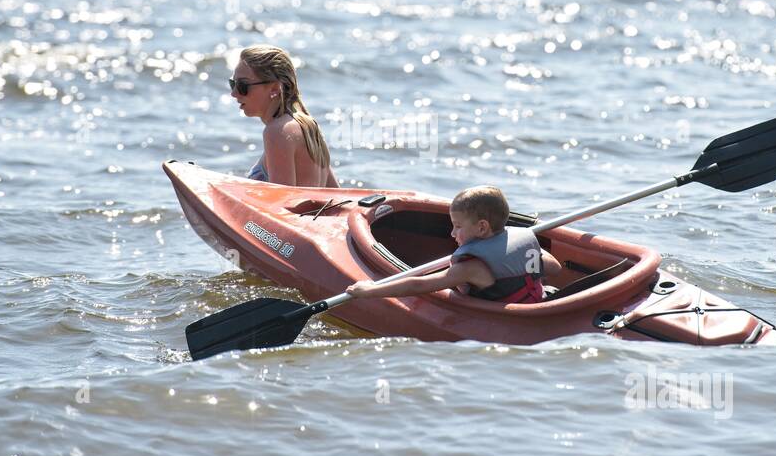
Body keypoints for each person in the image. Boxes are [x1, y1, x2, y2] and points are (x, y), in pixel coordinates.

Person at [346, 185, 561, 303]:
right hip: (541, 298)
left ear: (482, 227)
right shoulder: (521, 240)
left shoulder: (470, 268)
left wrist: (370, 290)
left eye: (457, 226)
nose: (452, 232)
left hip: (510, 319)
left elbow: (418, 285)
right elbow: (554, 267)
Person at [230, 44, 338, 187]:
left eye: (243, 86)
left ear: (274, 88)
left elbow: (282, 201)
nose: (234, 93)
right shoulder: (309, 126)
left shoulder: (278, 131)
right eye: (233, 84)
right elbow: (337, 196)